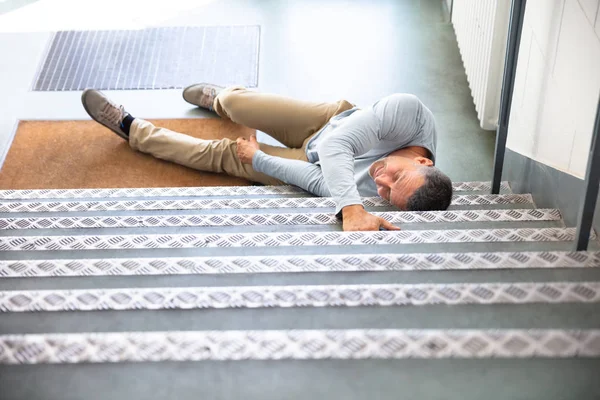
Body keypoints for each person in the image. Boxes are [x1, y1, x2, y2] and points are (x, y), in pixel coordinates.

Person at [81, 84, 453, 231]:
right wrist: (351, 209)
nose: (380, 183)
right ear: (424, 162)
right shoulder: (409, 113)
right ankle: (221, 100)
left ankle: (131, 128)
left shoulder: (382, 196)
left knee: (224, 156)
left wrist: (258, 159)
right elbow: (335, 148)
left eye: (388, 194)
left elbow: (320, 181)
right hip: (330, 123)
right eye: (395, 177)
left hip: (309, 162)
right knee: (239, 104)